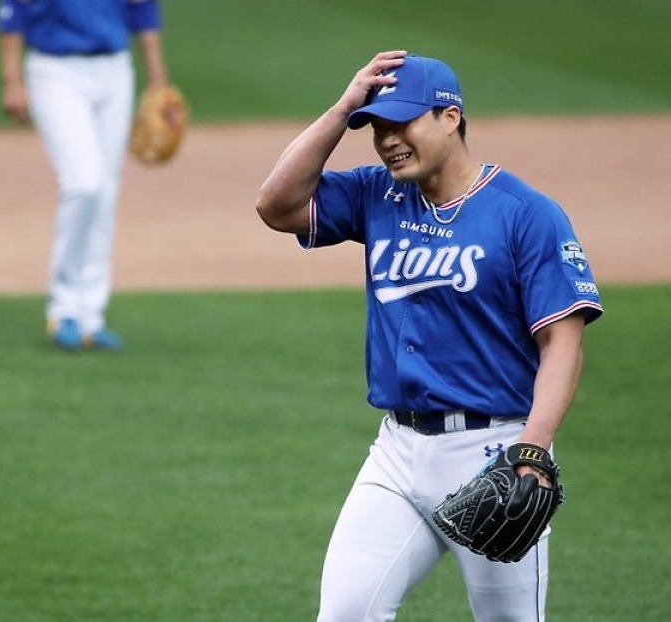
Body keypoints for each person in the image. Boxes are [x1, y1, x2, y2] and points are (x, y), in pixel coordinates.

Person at [254, 51, 603, 620]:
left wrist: (532, 448)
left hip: (494, 451)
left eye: (402, 123)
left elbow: (562, 343)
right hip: (396, 451)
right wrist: (345, 109)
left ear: (450, 117)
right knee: (344, 612)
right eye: (378, 128)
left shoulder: (526, 214)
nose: (388, 140)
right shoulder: (377, 196)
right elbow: (276, 204)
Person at [0, 0, 174, 351]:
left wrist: (158, 81)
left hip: (115, 70)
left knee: (105, 193)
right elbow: (13, 9)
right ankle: (63, 309)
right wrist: (11, 80)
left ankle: (91, 315)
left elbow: (142, 8)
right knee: (84, 183)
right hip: (54, 70)